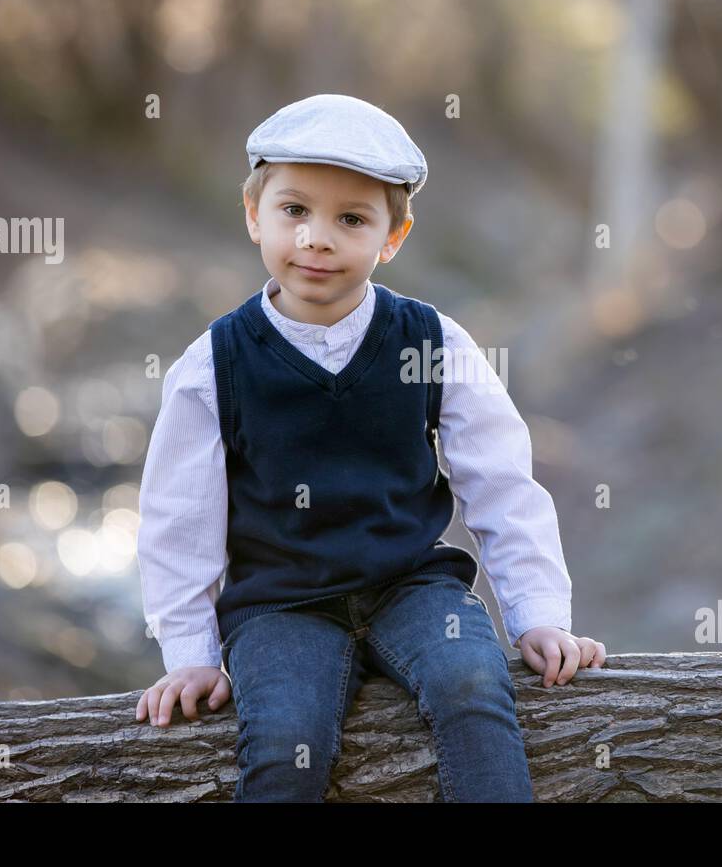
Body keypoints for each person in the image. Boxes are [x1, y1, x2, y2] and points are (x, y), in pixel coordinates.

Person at [133, 93, 605, 801]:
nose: (317, 238)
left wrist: (540, 615)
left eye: (351, 219)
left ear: (394, 236)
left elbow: (502, 482)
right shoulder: (214, 364)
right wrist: (191, 656)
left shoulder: (432, 341)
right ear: (253, 214)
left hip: (413, 586)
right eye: (295, 210)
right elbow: (180, 520)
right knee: (286, 741)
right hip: (281, 606)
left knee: (474, 689)